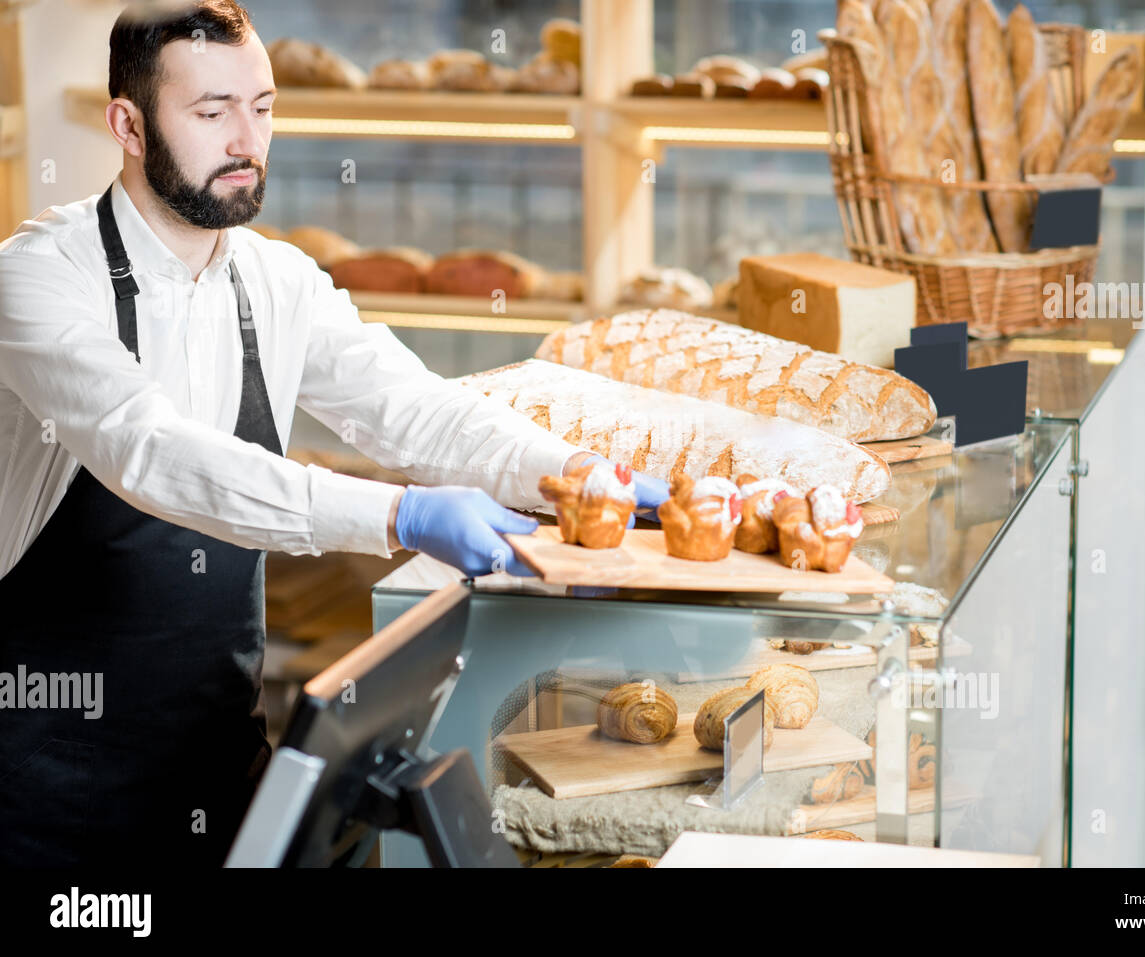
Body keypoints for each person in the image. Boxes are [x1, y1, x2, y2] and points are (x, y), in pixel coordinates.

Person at [0, 0, 666, 867]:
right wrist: (401, 515)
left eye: (263, 106)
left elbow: (416, 410)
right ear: (127, 124)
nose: (247, 139)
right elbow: (152, 453)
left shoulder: (278, 283)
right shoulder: (40, 281)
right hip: (48, 799)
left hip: (220, 770)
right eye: (212, 112)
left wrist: (568, 472)